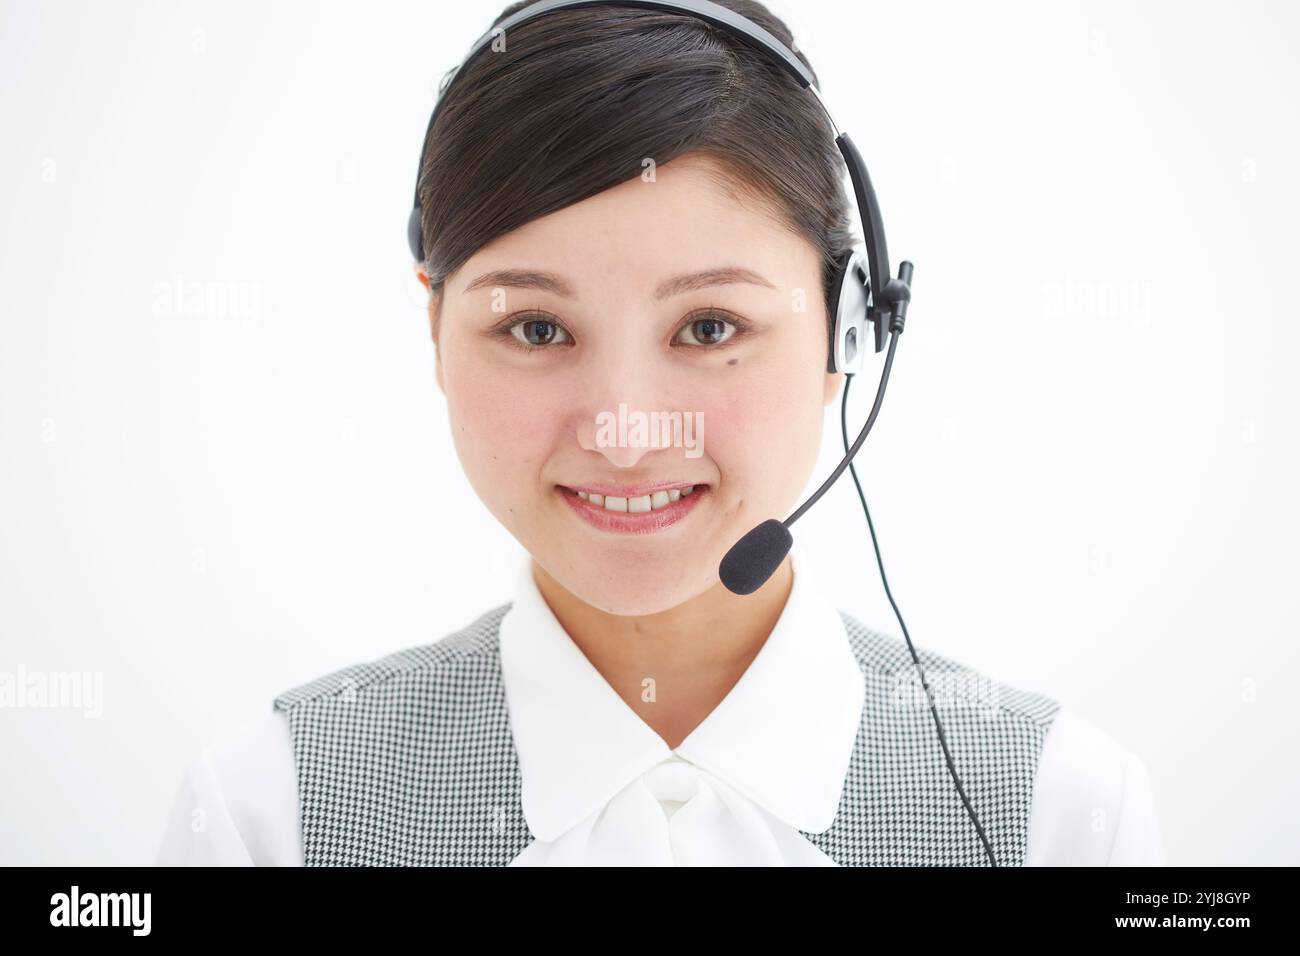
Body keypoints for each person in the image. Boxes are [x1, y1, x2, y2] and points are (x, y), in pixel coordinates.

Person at [155, 0, 1167, 866]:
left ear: (850, 327)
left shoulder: (1060, 816)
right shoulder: (270, 815)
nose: (625, 430)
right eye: (536, 327)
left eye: (709, 327)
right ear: (435, 330)